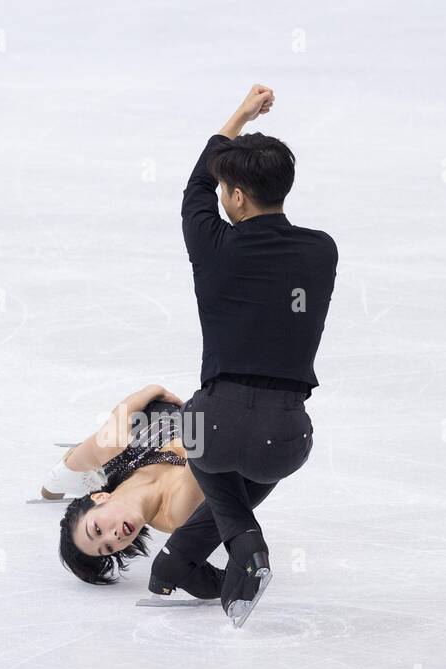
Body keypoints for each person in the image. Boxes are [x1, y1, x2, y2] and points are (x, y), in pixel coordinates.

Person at [179, 84, 338, 626]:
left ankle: (244, 540)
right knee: (243, 467)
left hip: (214, 427)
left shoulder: (212, 245)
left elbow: (196, 182)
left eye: (227, 189)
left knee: (196, 432)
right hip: (286, 442)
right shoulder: (322, 250)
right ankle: (179, 557)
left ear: (238, 197)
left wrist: (240, 113)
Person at [43, 384, 277, 596]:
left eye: (97, 529)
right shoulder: (176, 513)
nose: (114, 538)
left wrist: (157, 392)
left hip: (170, 422)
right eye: (108, 548)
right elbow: (202, 444)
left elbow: (134, 402)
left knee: (75, 463)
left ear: (100, 496)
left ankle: (59, 477)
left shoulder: (113, 451)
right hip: (226, 436)